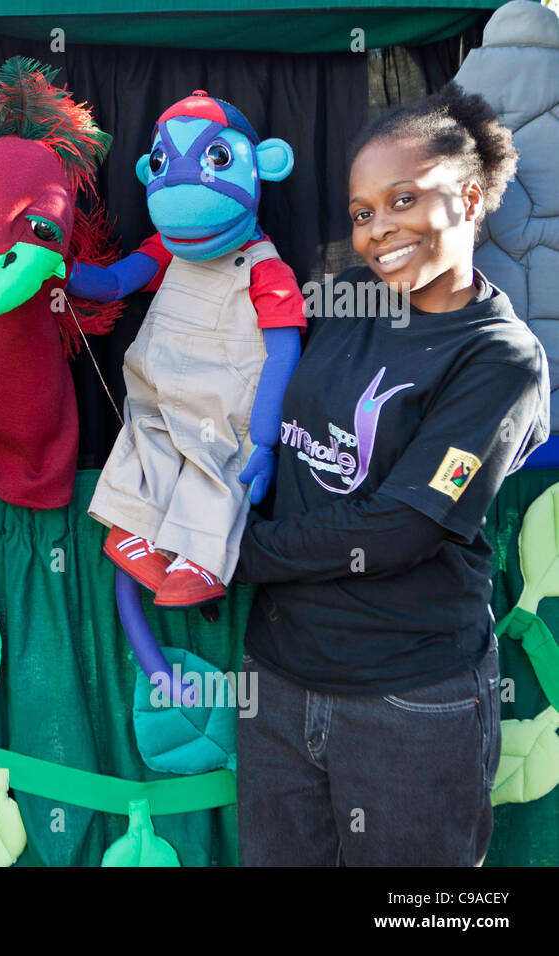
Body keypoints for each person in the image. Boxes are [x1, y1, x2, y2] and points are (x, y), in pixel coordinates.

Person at [233, 82, 548, 866]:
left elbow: (401, 528)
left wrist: (232, 551)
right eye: (363, 211)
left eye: (403, 199)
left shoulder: (500, 360)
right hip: (276, 681)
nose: (378, 231)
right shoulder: (350, 306)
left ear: (470, 198)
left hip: (409, 702)